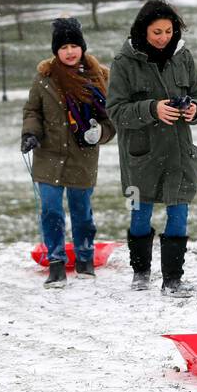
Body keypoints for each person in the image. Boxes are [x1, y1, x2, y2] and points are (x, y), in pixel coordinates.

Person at [106, 0, 197, 295]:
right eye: (157, 32)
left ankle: (172, 280)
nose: (164, 38)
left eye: (168, 30)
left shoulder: (183, 56)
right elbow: (116, 111)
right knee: (140, 214)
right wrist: (152, 110)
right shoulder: (124, 63)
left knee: (178, 213)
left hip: (179, 153)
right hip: (142, 155)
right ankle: (141, 272)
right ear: (142, 32)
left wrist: (195, 110)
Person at [21, 17, 116, 288]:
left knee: (81, 211)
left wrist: (101, 133)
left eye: (75, 45)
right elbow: (32, 111)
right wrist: (30, 134)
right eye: (64, 47)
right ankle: (56, 262)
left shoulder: (97, 79)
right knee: (50, 210)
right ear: (56, 51)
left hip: (82, 158)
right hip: (48, 156)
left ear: (82, 48)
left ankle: (85, 258)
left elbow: (111, 120)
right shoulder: (44, 79)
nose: (70, 51)